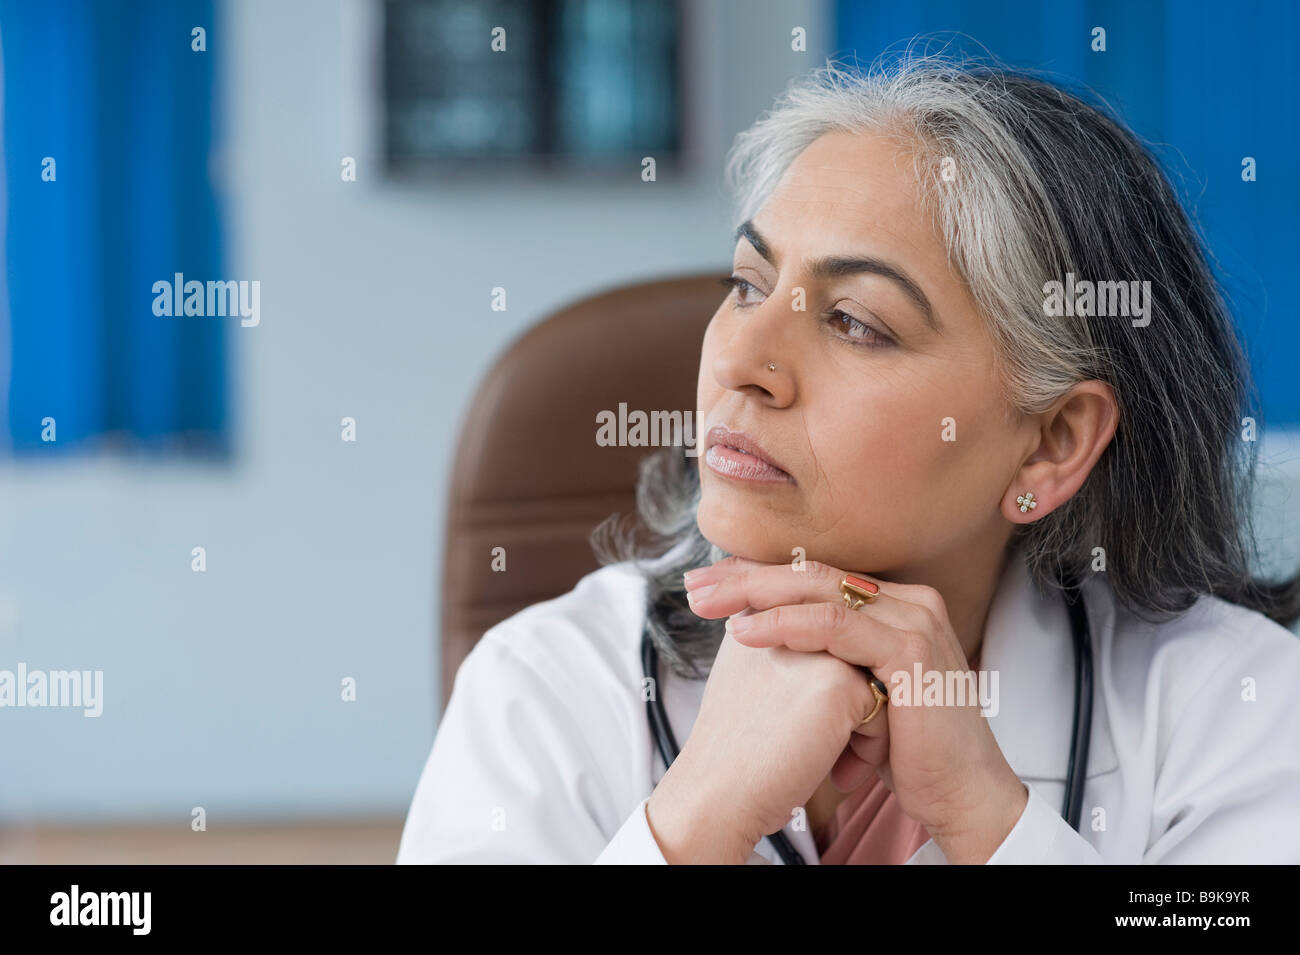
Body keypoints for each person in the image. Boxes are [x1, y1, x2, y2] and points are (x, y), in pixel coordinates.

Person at [396, 50, 1300, 864]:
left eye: (855, 323)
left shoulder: (1237, 705)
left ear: (1051, 445)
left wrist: (990, 817)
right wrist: (695, 822)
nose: (741, 364)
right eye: (747, 286)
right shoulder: (549, 687)